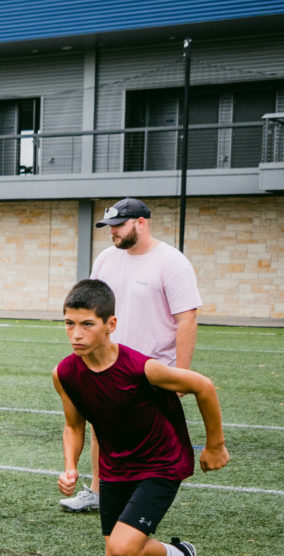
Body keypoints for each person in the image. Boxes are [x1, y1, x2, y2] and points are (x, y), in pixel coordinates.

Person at [54, 279, 229, 556]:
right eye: (69, 323)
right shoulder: (65, 373)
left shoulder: (141, 368)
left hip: (161, 463)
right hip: (115, 468)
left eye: (87, 324)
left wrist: (215, 446)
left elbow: (204, 386)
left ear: (110, 325)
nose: (76, 333)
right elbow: (74, 424)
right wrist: (70, 464)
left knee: (124, 547)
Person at [59, 198, 202, 514]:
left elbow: (187, 319)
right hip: (107, 362)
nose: (113, 233)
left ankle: (147, 497)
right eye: (109, 226)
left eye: (119, 225)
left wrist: (182, 371)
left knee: (151, 438)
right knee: (102, 425)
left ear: (141, 223)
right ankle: (98, 490)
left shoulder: (171, 263)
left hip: (152, 367)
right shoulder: (106, 259)